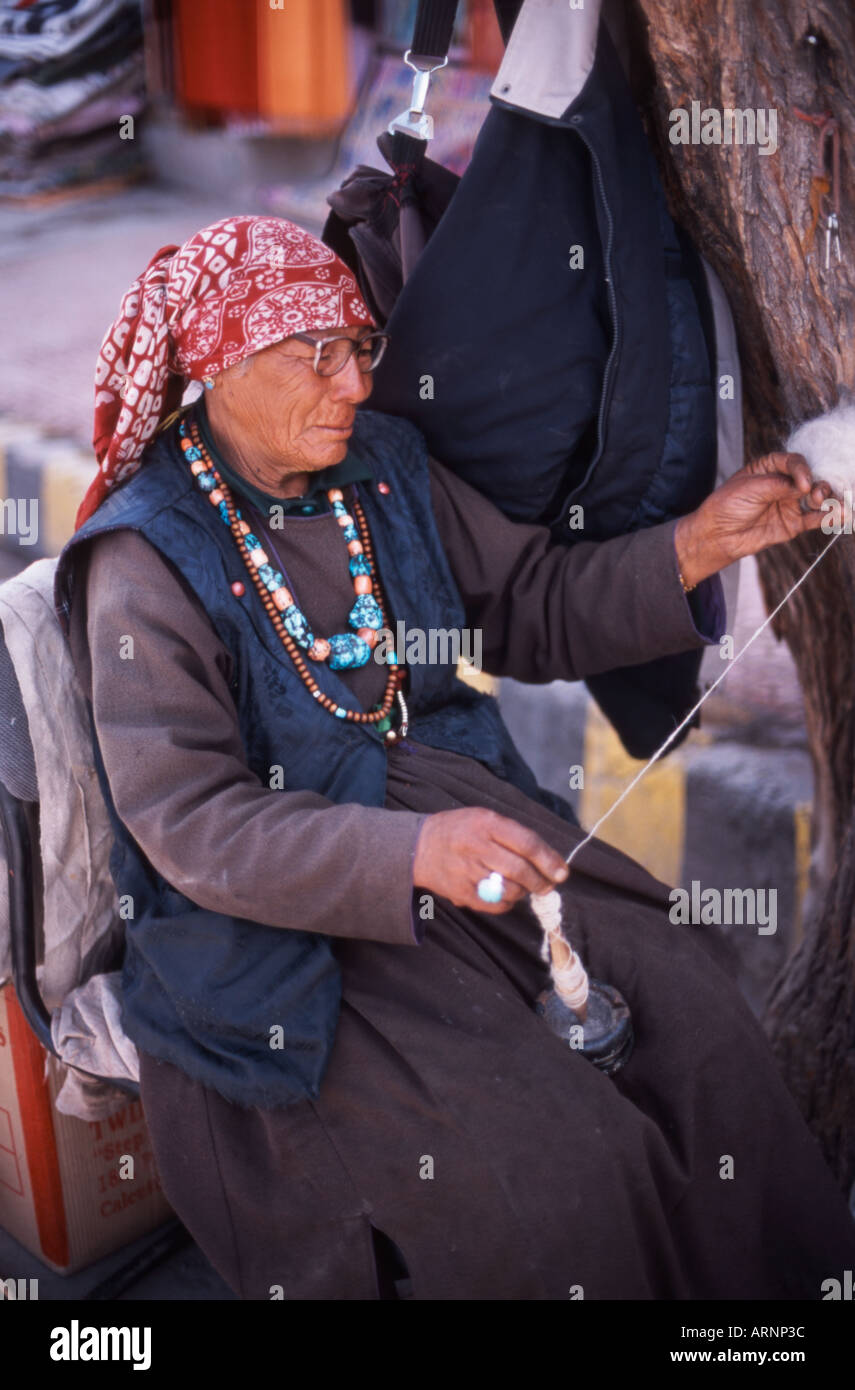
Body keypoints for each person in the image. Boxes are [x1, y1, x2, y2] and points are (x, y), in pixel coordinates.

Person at [56, 215, 855, 1300]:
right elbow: (197, 825)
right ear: (220, 366)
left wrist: (708, 540)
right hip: (288, 934)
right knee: (559, 1170)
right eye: (317, 356)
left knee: (702, 1024)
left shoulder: (378, 468)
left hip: (471, 841)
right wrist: (409, 852)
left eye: (362, 348)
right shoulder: (146, 561)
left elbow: (526, 602)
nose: (352, 385)